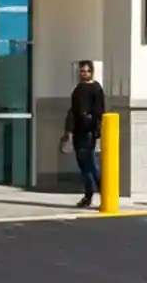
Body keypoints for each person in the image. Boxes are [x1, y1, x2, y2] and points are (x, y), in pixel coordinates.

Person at [59, 60, 105, 208]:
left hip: (88, 132)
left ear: (91, 72)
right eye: (81, 71)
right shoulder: (78, 89)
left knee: (89, 164)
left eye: (86, 71)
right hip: (78, 132)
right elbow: (73, 111)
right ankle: (88, 195)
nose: (83, 73)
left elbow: (99, 112)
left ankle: (102, 192)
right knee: (83, 165)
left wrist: (95, 128)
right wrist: (69, 132)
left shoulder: (96, 89)